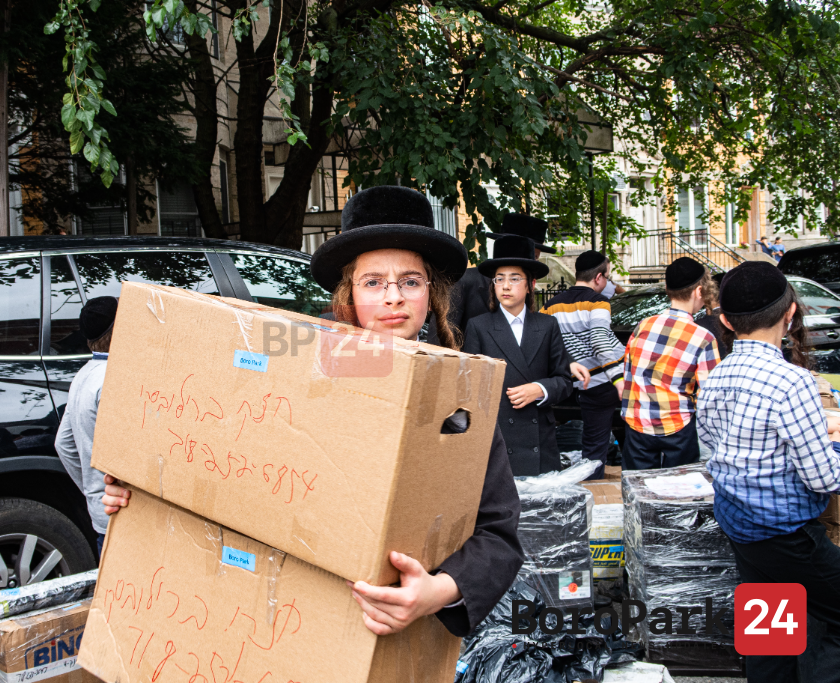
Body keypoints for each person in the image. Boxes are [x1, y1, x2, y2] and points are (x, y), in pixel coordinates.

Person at [103, 186, 525, 638]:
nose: (393, 297)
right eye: (373, 282)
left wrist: (439, 591)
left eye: (410, 281)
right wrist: (143, 492)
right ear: (349, 294)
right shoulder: (292, 386)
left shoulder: (459, 406)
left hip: (397, 639)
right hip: (287, 627)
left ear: (431, 295)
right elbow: (227, 479)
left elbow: (499, 533)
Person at [698, 261, 840, 683]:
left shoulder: (715, 378)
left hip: (742, 526)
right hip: (789, 534)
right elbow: (823, 478)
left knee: (772, 634)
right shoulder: (791, 381)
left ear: (724, 320)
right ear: (791, 312)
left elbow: (713, 451)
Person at [462, 233, 584, 476]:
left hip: (540, 439)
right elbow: (469, 385)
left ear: (531, 285)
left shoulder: (548, 325)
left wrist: (540, 389)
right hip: (497, 437)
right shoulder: (478, 326)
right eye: (499, 279)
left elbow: (563, 381)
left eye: (515, 278)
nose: (505, 286)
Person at [620, 257, 720, 469]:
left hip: (637, 422)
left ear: (667, 288)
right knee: (680, 494)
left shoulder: (643, 325)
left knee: (639, 491)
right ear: (699, 291)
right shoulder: (703, 338)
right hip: (678, 425)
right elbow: (710, 395)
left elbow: (628, 372)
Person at [540, 250, 626, 479]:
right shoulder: (598, 303)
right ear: (598, 278)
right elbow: (599, 340)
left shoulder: (550, 306)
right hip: (605, 381)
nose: (607, 282)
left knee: (590, 444)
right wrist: (617, 378)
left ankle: (590, 487)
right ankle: (601, 491)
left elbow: (545, 343)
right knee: (601, 446)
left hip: (576, 383)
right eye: (607, 277)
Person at [55, 296, 119, 557]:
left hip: (100, 513)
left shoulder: (84, 374)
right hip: (126, 513)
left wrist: (92, 489)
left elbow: (63, 443)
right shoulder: (114, 379)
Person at [444, 213, 557, 345]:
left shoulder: (523, 293)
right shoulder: (462, 282)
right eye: (533, 257)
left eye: (536, 258)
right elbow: (440, 341)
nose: (533, 263)